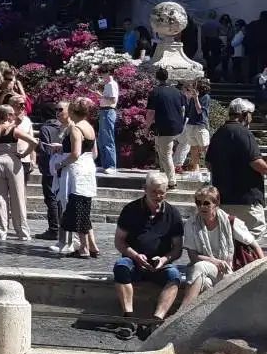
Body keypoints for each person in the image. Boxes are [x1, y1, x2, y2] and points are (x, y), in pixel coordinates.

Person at [113, 172, 186, 340]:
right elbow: (119, 241)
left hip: (160, 264)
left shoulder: (173, 214)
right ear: (144, 189)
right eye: (154, 191)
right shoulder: (130, 210)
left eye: (161, 192)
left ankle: (156, 320)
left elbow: (177, 248)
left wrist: (164, 259)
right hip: (134, 261)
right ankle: (128, 318)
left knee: (174, 275)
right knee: (121, 266)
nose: (157, 196)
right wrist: (135, 255)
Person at [180, 185, 263, 310]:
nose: (202, 206)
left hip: (228, 271)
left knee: (201, 275)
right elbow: (192, 256)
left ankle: (181, 313)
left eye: (206, 203)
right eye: (198, 203)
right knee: (202, 275)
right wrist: (214, 261)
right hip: (205, 268)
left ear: (216, 203)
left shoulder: (230, 222)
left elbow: (254, 245)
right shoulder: (191, 224)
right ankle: (185, 313)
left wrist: (262, 268)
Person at [207, 98, 267, 241]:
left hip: (223, 197)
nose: (251, 118)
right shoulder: (244, 133)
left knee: (229, 240)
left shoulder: (218, 133)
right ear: (244, 114)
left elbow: (209, 164)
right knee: (252, 239)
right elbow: (256, 163)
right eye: (251, 114)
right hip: (246, 198)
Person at [51, 96, 99, 258]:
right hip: (88, 168)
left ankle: (84, 248)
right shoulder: (89, 127)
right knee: (84, 207)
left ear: (72, 111)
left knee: (76, 207)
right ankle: (92, 246)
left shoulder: (76, 129)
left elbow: (75, 153)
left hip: (77, 171)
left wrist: (60, 163)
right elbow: (94, 153)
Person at [0, 104, 37, 242]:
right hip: (13, 162)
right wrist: (24, 154)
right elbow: (33, 142)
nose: (14, 116)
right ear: (7, 115)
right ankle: (22, 232)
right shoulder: (14, 129)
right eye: (12, 113)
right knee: (18, 197)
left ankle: (0, 232)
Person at [145, 67, 186, 188]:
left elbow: (150, 113)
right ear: (167, 77)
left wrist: (147, 127)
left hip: (164, 127)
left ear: (156, 78)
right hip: (178, 126)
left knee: (165, 154)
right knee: (161, 149)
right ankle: (164, 175)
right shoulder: (177, 92)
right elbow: (183, 109)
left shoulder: (155, 92)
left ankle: (172, 181)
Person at [35, 102, 67, 242]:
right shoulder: (64, 127)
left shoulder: (45, 129)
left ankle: (54, 229)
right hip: (61, 166)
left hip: (49, 168)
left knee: (51, 199)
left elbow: (45, 150)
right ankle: (61, 228)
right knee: (59, 198)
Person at [175, 78, 211, 179]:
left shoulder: (205, 97)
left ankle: (211, 169)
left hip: (200, 125)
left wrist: (195, 98)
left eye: (195, 84)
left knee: (205, 147)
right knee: (194, 147)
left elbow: (200, 111)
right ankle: (195, 169)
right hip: (191, 124)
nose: (193, 86)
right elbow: (188, 111)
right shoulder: (193, 96)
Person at [96, 64, 119, 174]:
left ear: (108, 73)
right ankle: (105, 164)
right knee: (102, 139)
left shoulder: (111, 84)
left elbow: (113, 100)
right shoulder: (107, 85)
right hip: (104, 111)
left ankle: (111, 165)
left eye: (103, 73)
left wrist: (100, 96)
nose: (102, 75)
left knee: (108, 139)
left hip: (108, 111)